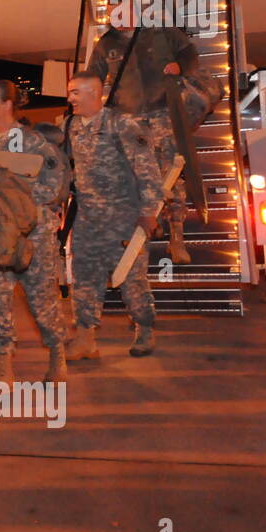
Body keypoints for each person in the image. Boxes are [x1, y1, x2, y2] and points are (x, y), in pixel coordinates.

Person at [97, 0, 201, 263]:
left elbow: (187, 52)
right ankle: (137, 238)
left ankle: (176, 238)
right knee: (131, 182)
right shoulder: (111, 43)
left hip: (159, 112)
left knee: (172, 179)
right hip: (130, 119)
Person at [0, 81, 72, 384]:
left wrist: (23, 199)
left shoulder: (33, 142)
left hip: (32, 236)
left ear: (7, 105)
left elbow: (57, 179)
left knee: (41, 300)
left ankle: (57, 355)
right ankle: (3, 365)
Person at [63, 73, 164, 359]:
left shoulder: (123, 125)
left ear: (96, 94)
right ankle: (85, 339)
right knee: (84, 278)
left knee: (132, 279)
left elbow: (147, 170)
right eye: (70, 92)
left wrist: (148, 213)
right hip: (88, 219)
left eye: (75, 92)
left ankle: (144, 329)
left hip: (124, 220)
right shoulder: (72, 127)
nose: (70, 98)